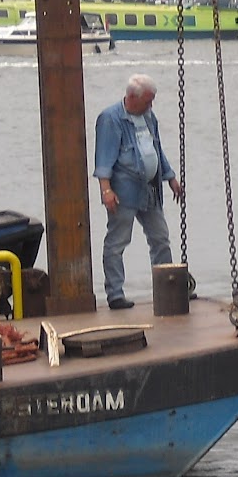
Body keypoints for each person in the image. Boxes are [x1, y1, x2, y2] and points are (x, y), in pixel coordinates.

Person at [93, 74, 183, 310]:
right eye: (147, 101)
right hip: (124, 191)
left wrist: (170, 176)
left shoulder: (149, 117)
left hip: (150, 189)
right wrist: (106, 190)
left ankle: (168, 287)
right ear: (132, 97)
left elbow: (156, 149)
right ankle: (115, 293)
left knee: (160, 238)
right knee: (117, 242)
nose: (151, 106)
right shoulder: (111, 119)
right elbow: (103, 158)